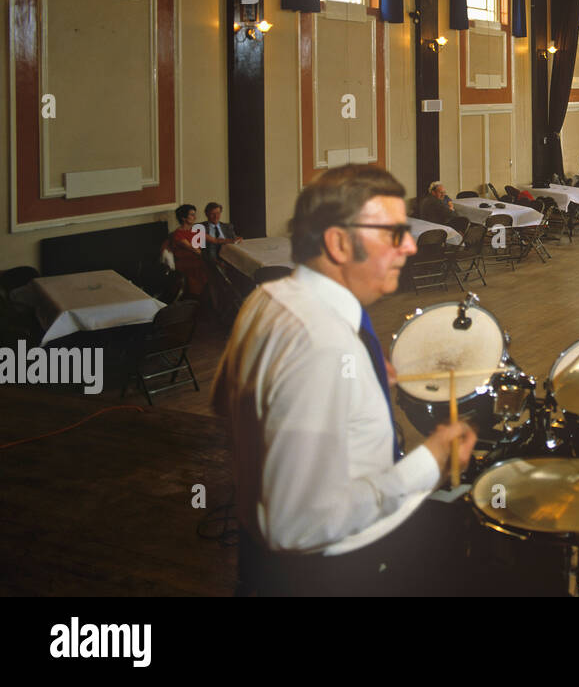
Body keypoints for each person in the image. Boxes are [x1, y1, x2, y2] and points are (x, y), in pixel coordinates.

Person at [212, 165, 477, 596]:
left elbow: (227, 399)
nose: (409, 246)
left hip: (259, 563)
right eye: (393, 233)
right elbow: (296, 525)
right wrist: (429, 462)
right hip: (329, 574)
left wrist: (358, 387)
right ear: (337, 242)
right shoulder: (325, 346)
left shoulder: (268, 299)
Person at [167, 205, 210, 299]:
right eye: (192, 215)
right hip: (187, 264)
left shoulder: (194, 230)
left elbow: (212, 240)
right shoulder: (178, 234)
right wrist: (209, 259)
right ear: (183, 218)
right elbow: (193, 249)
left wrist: (231, 240)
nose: (195, 217)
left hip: (197, 260)